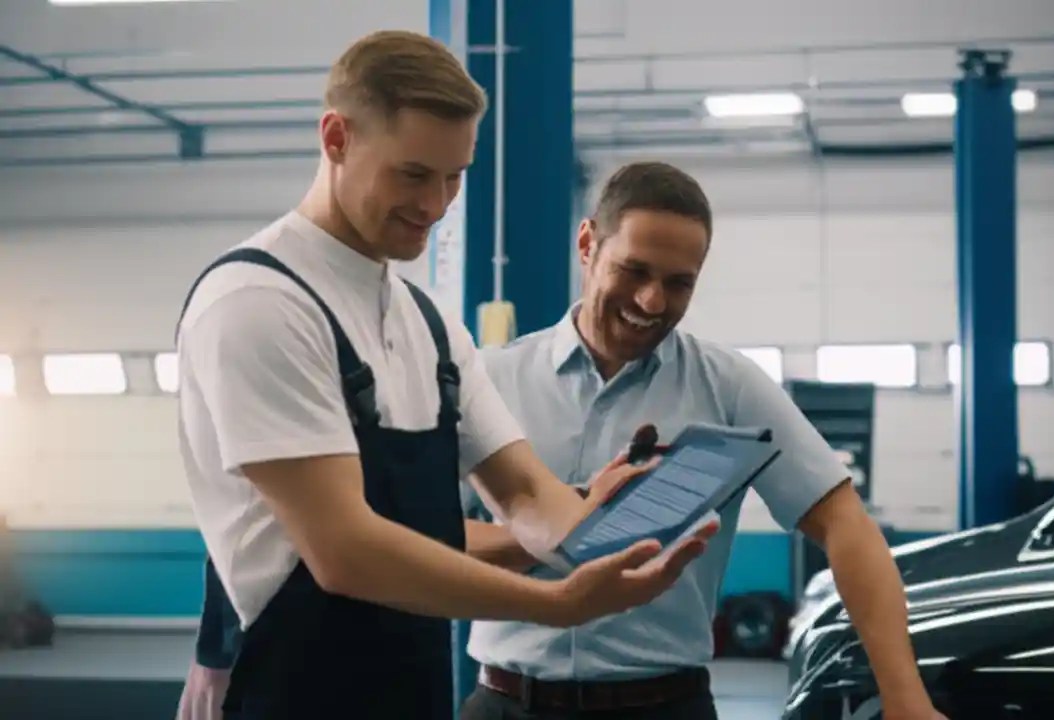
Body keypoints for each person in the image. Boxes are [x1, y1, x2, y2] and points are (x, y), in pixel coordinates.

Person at [173, 32, 715, 720]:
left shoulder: (427, 323)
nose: (436, 204)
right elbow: (345, 552)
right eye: (413, 174)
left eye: (455, 176)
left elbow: (522, 490)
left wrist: (593, 528)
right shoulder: (258, 304)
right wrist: (555, 602)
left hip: (412, 692)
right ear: (337, 137)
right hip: (290, 695)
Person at [454, 162, 947, 720]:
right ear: (588, 244)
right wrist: (564, 533)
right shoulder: (492, 379)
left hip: (662, 706)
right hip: (507, 702)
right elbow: (415, 537)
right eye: (633, 270)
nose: (651, 302)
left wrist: (906, 697)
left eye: (678, 283)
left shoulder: (728, 387)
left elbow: (845, 523)